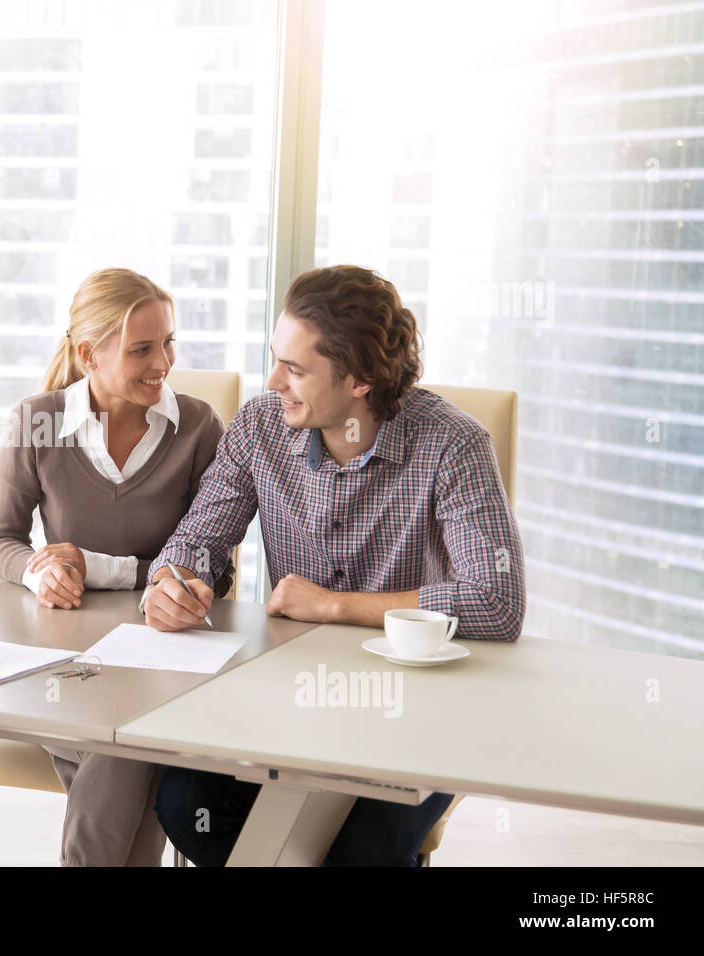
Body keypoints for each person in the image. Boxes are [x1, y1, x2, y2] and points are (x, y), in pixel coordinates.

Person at [142, 264, 526, 866]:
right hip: (284, 701)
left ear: (362, 379)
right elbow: (195, 541)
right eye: (276, 360)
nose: (273, 382)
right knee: (185, 801)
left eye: (295, 369)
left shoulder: (454, 444)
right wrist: (171, 582)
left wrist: (335, 606)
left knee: (360, 849)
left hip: (417, 713)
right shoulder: (259, 428)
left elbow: (495, 602)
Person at [0, 267, 234, 866]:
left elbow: (211, 570)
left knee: (126, 741)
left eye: (168, 342)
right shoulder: (36, 422)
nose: (163, 362)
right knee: (133, 750)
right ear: (89, 354)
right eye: (143, 348)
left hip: (161, 660)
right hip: (54, 663)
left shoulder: (197, 428)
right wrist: (39, 571)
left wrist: (97, 567)